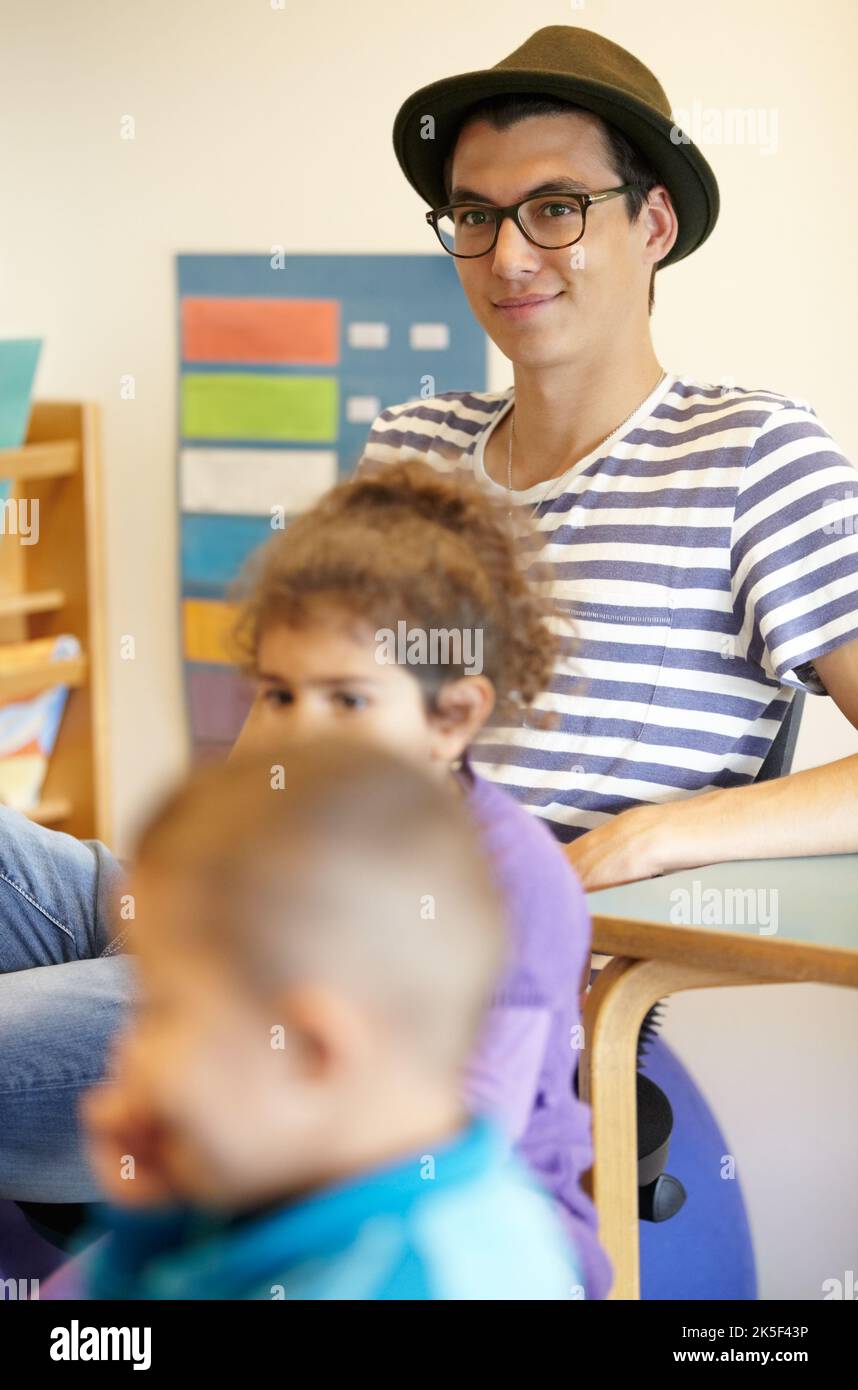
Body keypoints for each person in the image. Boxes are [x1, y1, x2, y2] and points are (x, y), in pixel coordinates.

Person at [1, 461, 609, 1297]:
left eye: (346, 701)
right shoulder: (293, 810)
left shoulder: (512, 879)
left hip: (389, 1192)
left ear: (453, 715)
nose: (298, 731)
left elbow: (458, 1132)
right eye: (279, 695)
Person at [372, 24, 858, 890]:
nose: (509, 257)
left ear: (655, 223)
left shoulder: (753, 457)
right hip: (307, 919)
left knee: (39, 1021)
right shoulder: (409, 448)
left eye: (556, 208)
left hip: (469, 987)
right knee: (41, 865)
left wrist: (654, 836)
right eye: (477, 215)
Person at [44, 737, 583, 1301]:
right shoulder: (291, 1172)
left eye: (160, 1012)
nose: (126, 1051)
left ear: (309, 1050)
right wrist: (152, 1220)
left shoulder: (409, 1281)